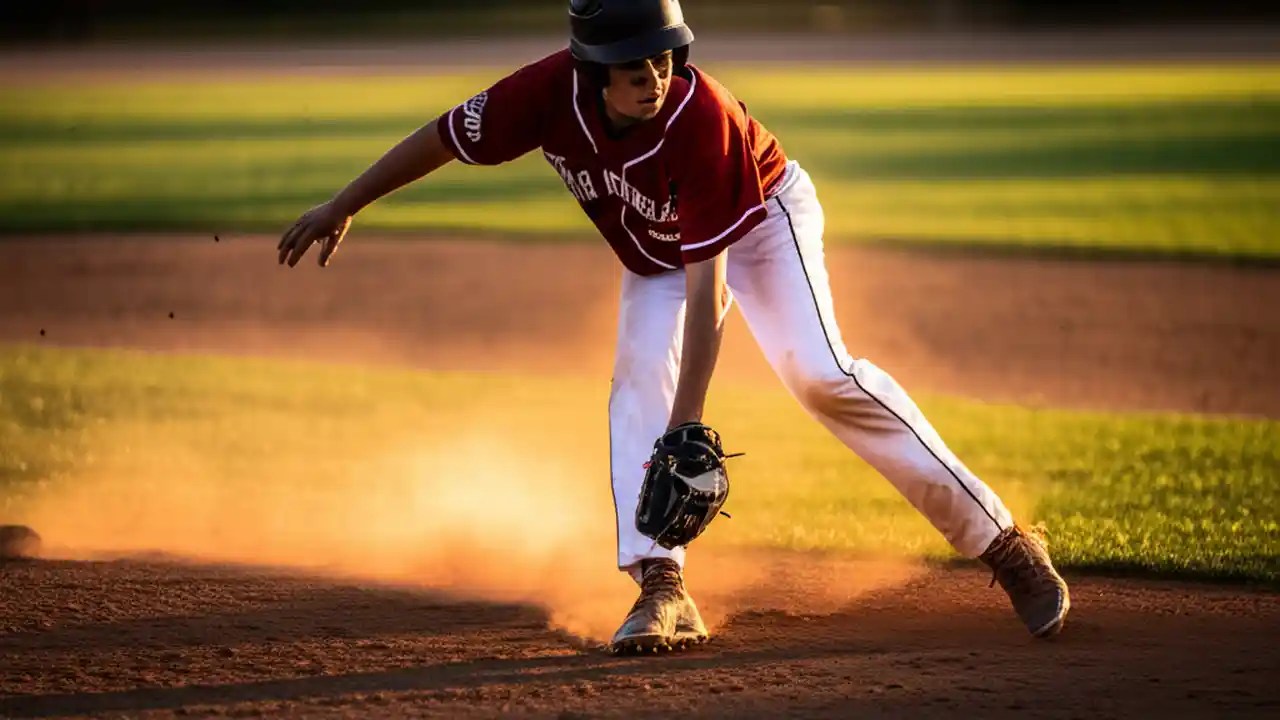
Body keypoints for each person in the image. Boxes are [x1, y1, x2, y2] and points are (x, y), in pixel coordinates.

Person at [277, 0, 1070, 652]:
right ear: (592, 72)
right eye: (635, 65)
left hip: (760, 222)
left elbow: (709, 287)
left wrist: (688, 424)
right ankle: (662, 587)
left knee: (821, 374)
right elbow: (442, 139)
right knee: (633, 389)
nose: (655, 75)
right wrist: (343, 202)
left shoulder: (702, 117)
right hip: (659, 253)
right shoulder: (543, 96)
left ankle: (1004, 544)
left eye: (664, 57)